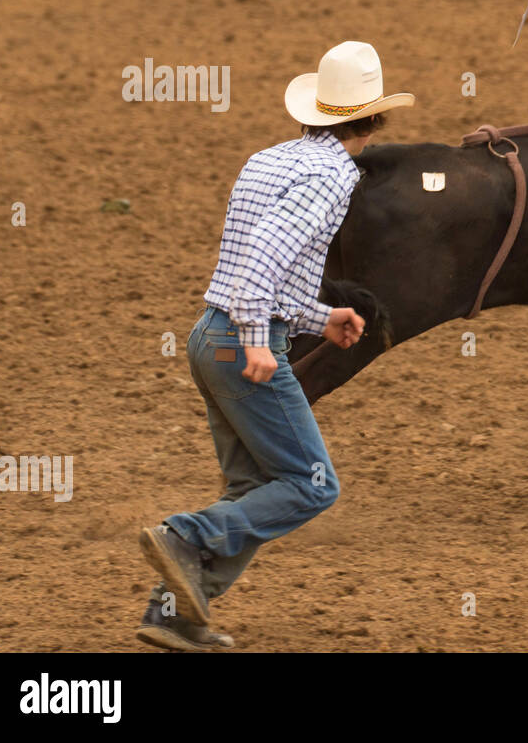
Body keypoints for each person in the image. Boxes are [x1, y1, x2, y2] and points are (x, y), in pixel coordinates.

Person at [134, 41, 413, 650]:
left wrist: (320, 314)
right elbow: (263, 256)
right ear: (373, 117)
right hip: (242, 344)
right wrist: (260, 340)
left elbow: (255, 259)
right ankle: (185, 534)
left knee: (252, 490)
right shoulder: (334, 175)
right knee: (313, 484)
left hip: (210, 338)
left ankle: (175, 612)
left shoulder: (270, 158)